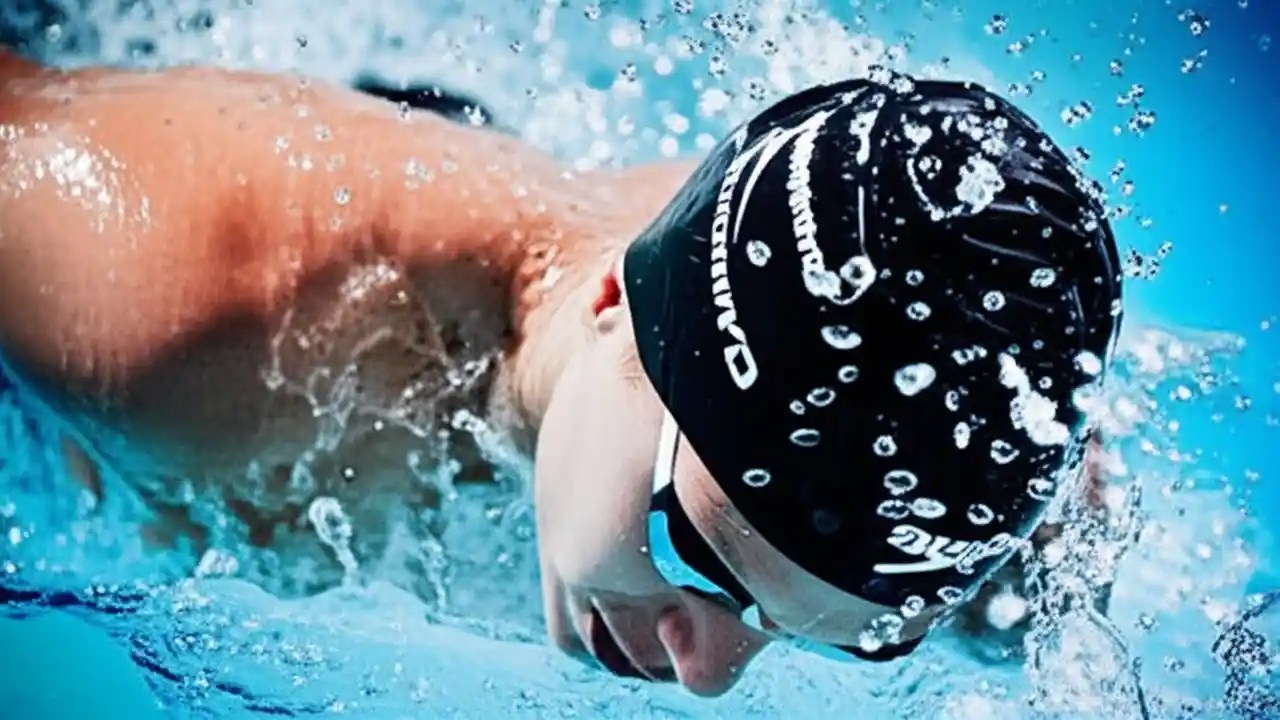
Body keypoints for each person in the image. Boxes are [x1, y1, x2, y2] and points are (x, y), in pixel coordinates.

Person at [0, 47, 1122, 695]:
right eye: (699, 559)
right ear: (611, 308)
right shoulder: (172, 305)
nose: (710, 675)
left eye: (836, 631)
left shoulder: (959, 436)